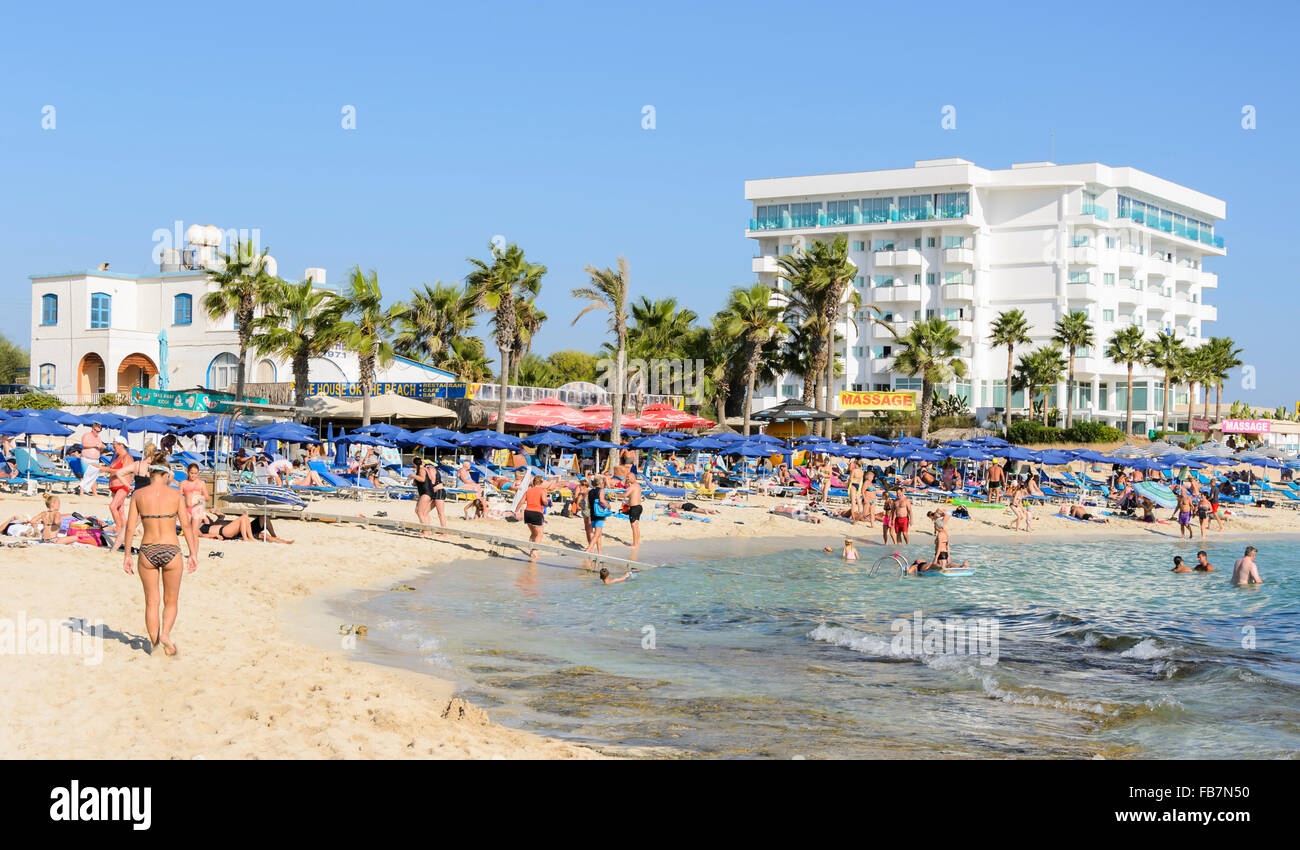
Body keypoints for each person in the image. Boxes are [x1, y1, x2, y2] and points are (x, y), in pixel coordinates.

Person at [121, 466, 198, 657]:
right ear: (165, 475)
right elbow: (186, 525)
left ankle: (155, 645)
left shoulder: (138, 495)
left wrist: (127, 555)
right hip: (171, 548)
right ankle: (165, 634)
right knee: (171, 601)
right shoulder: (174, 495)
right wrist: (193, 553)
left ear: (150, 474)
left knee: (151, 602)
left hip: (147, 549)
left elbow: (130, 526)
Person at [409, 458, 446, 535]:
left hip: (435, 491)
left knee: (439, 513)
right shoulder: (421, 470)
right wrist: (415, 481)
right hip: (429, 492)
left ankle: (442, 532)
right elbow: (423, 480)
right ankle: (427, 530)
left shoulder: (426, 469)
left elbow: (426, 480)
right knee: (423, 512)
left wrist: (414, 476)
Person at [521, 478, 550, 557]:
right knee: (540, 533)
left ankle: (531, 551)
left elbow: (522, 501)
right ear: (541, 483)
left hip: (527, 512)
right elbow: (544, 501)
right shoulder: (542, 491)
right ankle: (534, 551)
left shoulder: (528, 490)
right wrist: (548, 504)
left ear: (533, 483)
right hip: (536, 513)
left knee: (533, 533)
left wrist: (516, 511)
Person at [78, 421, 107, 496]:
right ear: (92, 429)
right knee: (85, 475)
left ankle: (94, 492)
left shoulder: (99, 438)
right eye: (96, 431)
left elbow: (101, 447)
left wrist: (102, 447)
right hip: (86, 459)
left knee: (94, 476)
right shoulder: (86, 435)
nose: (97, 433)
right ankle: (81, 492)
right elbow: (84, 444)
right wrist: (95, 445)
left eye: (99, 431)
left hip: (95, 459)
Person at [586, 474, 612, 554]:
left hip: (592, 513)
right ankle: (589, 549)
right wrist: (608, 506)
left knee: (599, 533)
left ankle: (600, 551)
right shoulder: (601, 490)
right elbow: (601, 500)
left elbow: (589, 505)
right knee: (597, 534)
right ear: (601, 483)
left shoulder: (590, 491)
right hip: (599, 513)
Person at [624, 469, 643, 551]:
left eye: (628, 477)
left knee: (634, 527)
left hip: (634, 508)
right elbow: (632, 497)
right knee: (636, 527)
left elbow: (625, 495)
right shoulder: (637, 485)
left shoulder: (632, 486)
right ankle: (637, 543)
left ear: (632, 477)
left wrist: (616, 495)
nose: (627, 479)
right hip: (638, 507)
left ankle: (635, 545)